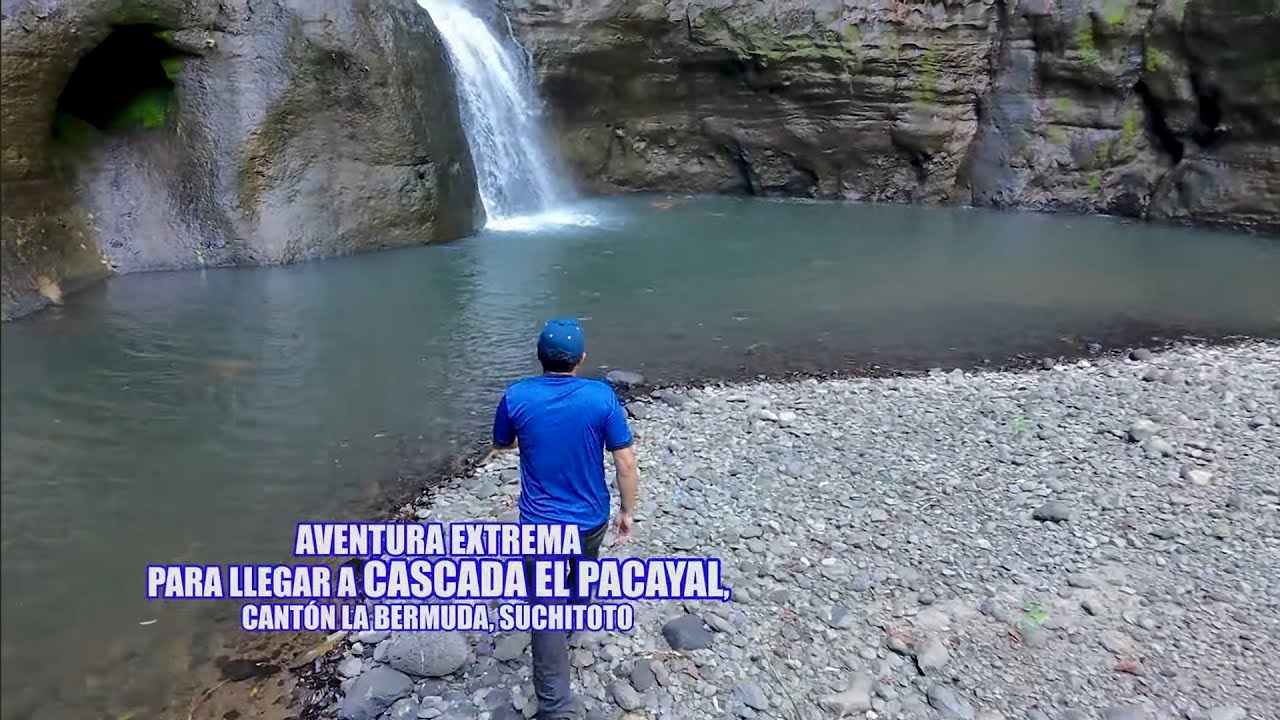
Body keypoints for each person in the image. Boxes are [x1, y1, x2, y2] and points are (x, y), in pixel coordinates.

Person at [490, 317, 641, 720]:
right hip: (590, 516)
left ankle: (555, 708)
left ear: (538, 356)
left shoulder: (517, 395)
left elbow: (502, 442)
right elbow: (626, 463)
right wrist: (627, 512)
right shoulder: (601, 397)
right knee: (583, 570)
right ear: (581, 358)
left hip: (540, 524)